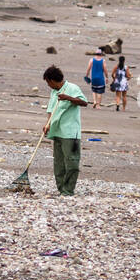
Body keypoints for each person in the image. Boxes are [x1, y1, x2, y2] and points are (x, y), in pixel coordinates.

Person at [42, 65, 89, 195]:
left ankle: (68, 190)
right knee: (59, 163)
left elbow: (84, 102)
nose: (48, 85)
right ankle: (61, 188)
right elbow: (51, 111)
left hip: (70, 133)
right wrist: (47, 125)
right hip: (56, 131)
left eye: (48, 82)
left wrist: (68, 98)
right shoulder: (53, 92)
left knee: (72, 161)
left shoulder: (72, 88)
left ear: (52, 80)